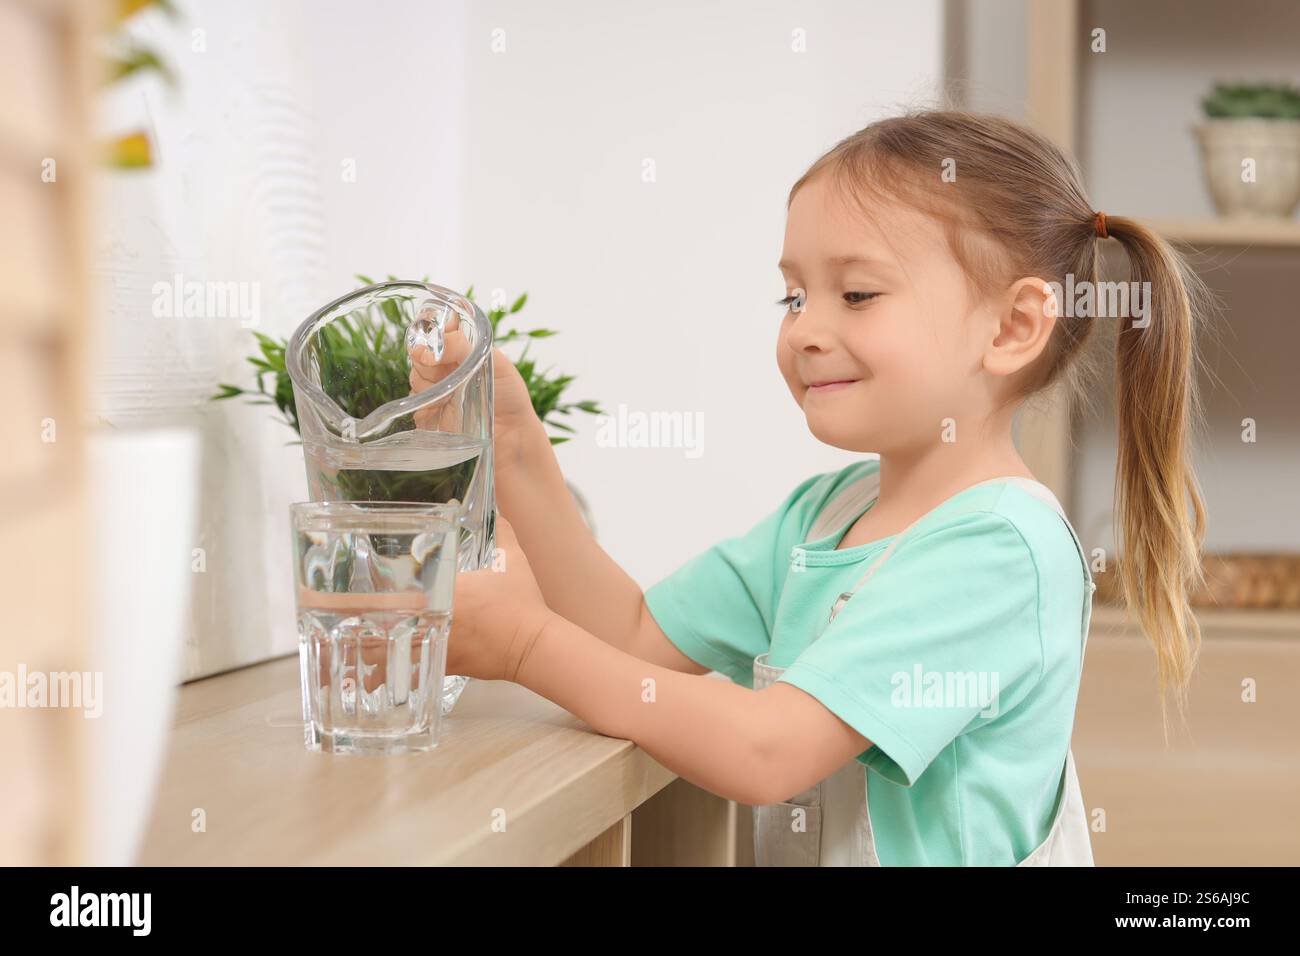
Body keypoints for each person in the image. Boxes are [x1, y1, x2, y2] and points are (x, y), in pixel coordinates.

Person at [415, 110, 1208, 866]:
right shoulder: (824, 516)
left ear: (1011, 329)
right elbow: (629, 634)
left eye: (856, 294)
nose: (804, 330)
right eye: (792, 296)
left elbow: (768, 750)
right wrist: (515, 447)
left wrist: (525, 646)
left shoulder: (999, 551)